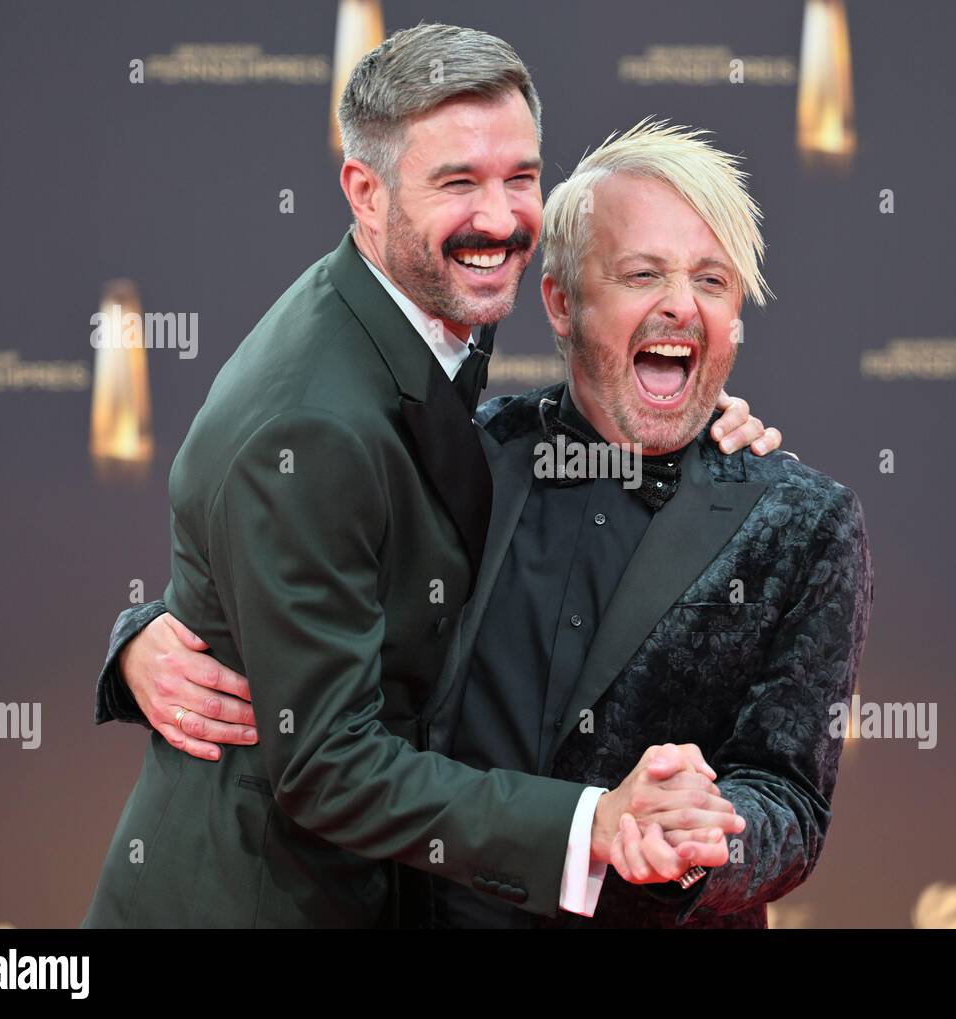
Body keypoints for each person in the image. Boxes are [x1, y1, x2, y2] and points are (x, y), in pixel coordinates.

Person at [99, 119, 874, 929]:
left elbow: (788, 794)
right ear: (562, 302)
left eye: (712, 282)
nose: (681, 303)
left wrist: (700, 837)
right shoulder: (464, 452)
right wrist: (148, 634)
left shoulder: (804, 521)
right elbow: (291, 577)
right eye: (643, 274)